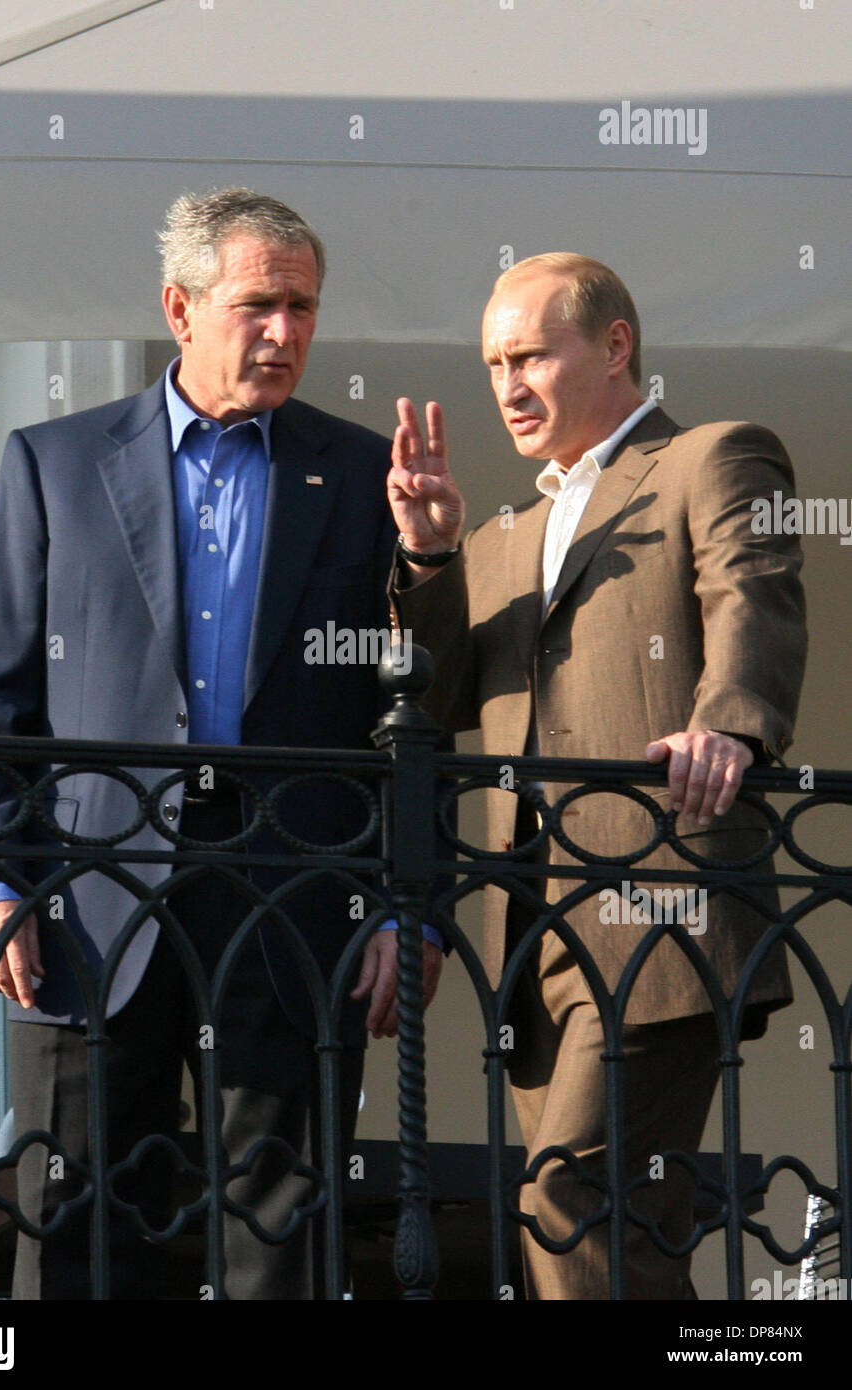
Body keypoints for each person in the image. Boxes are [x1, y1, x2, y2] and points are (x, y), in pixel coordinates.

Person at [0, 188, 442, 1300]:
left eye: (304, 307)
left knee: (283, 1220)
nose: (286, 332)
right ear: (179, 306)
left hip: (294, 894)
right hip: (87, 893)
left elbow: (415, 714)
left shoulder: (364, 477)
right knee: (75, 1216)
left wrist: (408, 905)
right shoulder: (54, 463)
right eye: (258, 304)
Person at [386, 252, 806, 1299]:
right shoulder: (497, 536)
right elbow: (429, 709)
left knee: (565, 1199)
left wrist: (728, 728)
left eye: (528, 354)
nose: (505, 384)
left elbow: (751, 596)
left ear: (614, 346)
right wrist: (431, 558)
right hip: (533, 927)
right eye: (491, 363)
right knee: (622, 1226)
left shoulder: (710, 456)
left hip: (663, 898)